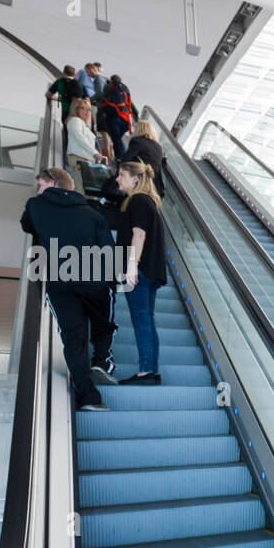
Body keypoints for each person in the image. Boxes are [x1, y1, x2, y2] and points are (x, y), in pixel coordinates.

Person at [20, 167, 117, 411]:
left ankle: (89, 398)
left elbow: (26, 225)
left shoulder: (35, 205)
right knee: (103, 324)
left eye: (41, 185)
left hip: (59, 282)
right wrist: (111, 284)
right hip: (94, 280)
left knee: (73, 339)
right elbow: (109, 250)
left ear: (52, 183)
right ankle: (101, 361)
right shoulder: (92, 213)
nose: (39, 191)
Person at [114, 161, 167, 385]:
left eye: (121, 175)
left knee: (141, 321)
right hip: (152, 271)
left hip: (141, 271)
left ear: (135, 179)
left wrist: (131, 266)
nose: (118, 179)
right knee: (148, 320)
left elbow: (139, 235)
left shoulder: (137, 200)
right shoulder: (149, 203)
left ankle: (146, 371)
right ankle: (151, 371)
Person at [120, 120, 167, 198]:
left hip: (138, 179)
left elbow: (126, 159)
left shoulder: (137, 141)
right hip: (154, 183)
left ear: (139, 129)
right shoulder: (158, 146)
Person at [46, 65, 86, 157]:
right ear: (74, 74)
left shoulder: (59, 82)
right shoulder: (80, 84)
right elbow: (86, 99)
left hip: (66, 112)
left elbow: (48, 95)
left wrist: (58, 98)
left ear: (64, 72)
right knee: (78, 133)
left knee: (67, 133)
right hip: (79, 113)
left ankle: (69, 155)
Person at [98, 74, 135, 162]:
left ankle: (121, 158)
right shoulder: (125, 89)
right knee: (118, 139)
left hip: (113, 118)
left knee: (117, 139)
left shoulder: (109, 90)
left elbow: (104, 104)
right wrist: (132, 114)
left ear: (112, 81)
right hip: (125, 118)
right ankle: (121, 157)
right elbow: (130, 103)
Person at [65, 98, 106, 169]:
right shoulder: (75, 120)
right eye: (83, 108)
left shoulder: (84, 125)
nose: (87, 112)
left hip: (85, 160)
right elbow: (79, 137)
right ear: (76, 109)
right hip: (79, 158)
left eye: (89, 110)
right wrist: (95, 153)